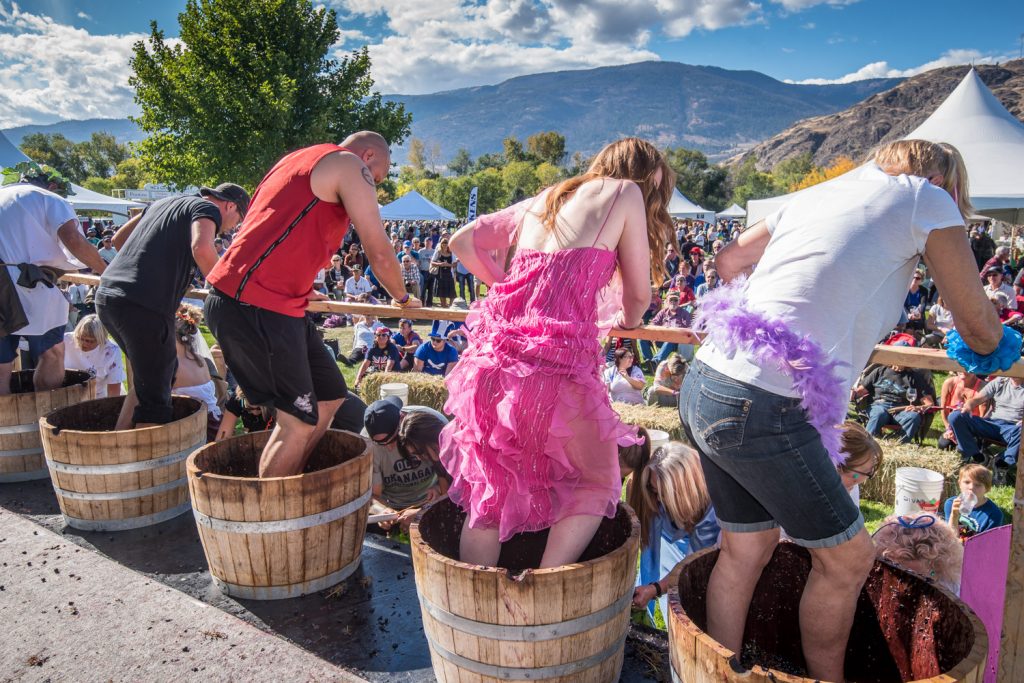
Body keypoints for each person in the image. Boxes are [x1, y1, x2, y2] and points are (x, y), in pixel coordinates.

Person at [679, 139, 1001, 681]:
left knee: (746, 548)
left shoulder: (823, 192)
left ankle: (718, 674)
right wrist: (998, 342)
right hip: (765, 402)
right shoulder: (929, 198)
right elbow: (980, 329)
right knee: (848, 559)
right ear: (947, 182)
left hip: (709, 378)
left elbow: (730, 258)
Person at [441, 137, 676, 568]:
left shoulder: (549, 195)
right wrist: (626, 319)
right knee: (598, 481)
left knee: (492, 496)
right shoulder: (624, 192)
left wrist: (502, 289)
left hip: (493, 360)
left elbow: (461, 242)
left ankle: (477, 617)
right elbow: (639, 298)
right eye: (654, 189)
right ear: (640, 178)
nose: (651, 199)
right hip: (554, 366)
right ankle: (542, 590)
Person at [203, 131, 421, 478]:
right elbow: (378, 250)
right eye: (377, 177)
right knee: (297, 422)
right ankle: (269, 521)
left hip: (271, 301)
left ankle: (293, 484)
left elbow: (275, 233)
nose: (374, 185)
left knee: (330, 397)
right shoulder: (350, 166)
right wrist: (405, 298)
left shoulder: (297, 160)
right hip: (255, 304)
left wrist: (299, 288)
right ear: (367, 157)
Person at [95, 182, 246, 429]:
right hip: (143, 307)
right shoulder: (208, 209)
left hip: (108, 297)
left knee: (154, 377)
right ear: (230, 206)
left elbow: (120, 240)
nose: (233, 226)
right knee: (156, 398)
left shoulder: (161, 204)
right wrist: (231, 293)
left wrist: (169, 269)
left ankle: (118, 446)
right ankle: (141, 463)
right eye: (238, 219)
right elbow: (202, 248)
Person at [1, 162, 107, 396]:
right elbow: (73, 239)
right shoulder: (49, 198)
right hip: (25, 284)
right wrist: (106, 271)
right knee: (52, 353)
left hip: (14, 279)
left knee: (0, 363)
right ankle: (44, 415)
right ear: (52, 185)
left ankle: (5, 430)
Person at [629, 442, 720, 622]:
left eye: (663, 496)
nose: (657, 501)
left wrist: (656, 588)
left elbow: (693, 568)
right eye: (654, 491)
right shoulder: (663, 499)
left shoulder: (711, 515)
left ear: (684, 494)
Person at [364, 397, 449, 531]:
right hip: (393, 506)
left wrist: (427, 505)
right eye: (380, 443)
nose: (389, 448)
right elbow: (372, 495)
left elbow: (451, 488)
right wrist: (382, 510)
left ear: (402, 421)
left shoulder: (423, 431)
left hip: (430, 501)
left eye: (392, 440)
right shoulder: (367, 447)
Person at [873, 513, 963, 595]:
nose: (906, 586)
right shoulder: (875, 585)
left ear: (938, 569)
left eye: (922, 578)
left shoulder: (951, 590)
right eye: (897, 573)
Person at [948, 374, 1024, 469]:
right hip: (991, 423)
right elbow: (977, 399)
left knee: (1022, 431)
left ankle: (1002, 464)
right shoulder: (1000, 381)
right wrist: (968, 406)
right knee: (955, 416)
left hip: (1013, 428)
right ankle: (977, 456)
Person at [854, 364, 935, 443]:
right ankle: (866, 442)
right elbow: (860, 391)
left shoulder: (914, 377)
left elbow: (929, 403)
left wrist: (917, 408)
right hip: (880, 405)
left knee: (913, 417)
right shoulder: (880, 371)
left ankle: (899, 444)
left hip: (902, 409)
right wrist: (851, 392)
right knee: (879, 414)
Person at [62, 314, 125, 398]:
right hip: (67, 393)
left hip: (97, 396)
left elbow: (114, 388)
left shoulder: (112, 351)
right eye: (79, 338)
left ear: (101, 340)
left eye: (89, 341)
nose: (83, 343)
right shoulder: (65, 340)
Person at [944, 464, 1004, 538]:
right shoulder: (951, 503)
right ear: (959, 484)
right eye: (967, 482)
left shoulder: (994, 515)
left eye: (978, 485)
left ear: (987, 489)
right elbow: (949, 538)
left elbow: (987, 544)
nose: (971, 487)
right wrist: (954, 515)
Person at [936, 371, 985, 451]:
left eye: (966, 368)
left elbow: (983, 418)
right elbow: (944, 409)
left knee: (964, 450)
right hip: (953, 426)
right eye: (960, 366)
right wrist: (948, 429)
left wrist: (965, 433)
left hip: (973, 428)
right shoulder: (949, 383)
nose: (962, 370)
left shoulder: (982, 388)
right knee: (943, 444)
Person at [649, 290, 694, 363]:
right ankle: (649, 361)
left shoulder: (685, 314)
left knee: (670, 340)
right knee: (642, 339)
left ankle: (656, 361)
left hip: (677, 341)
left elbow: (688, 329)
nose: (673, 302)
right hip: (661, 338)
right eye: (671, 300)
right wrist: (654, 332)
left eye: (675, 300)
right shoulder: (663, 312)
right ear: (667, 301)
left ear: (679, 301)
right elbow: (654, 323)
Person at [430, 237, 456, 307]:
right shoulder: (438, 252)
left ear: (448, 244)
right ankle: (443, 306)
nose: (444, 244)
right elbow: (432, 262)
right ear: (441, 244)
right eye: (443, 243)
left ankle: (451, 306)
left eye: (446, 243)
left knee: (452, 293)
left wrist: (448, 265)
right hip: (440, 274)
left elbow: (454, 264)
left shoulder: (451, 253)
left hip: (449, 274)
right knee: (441, 293)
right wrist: (440, 264)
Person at [418, 236, 436, 306]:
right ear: (424, 243)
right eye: (426, 242)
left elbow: (437, 261)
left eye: (429, 242)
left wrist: (431, 262)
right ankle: (422, 304)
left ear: (432, 243)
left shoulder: (434, 252)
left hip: (432, 272)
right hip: (423, 272)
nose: (428, 243)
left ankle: (429, 305)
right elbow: (418, 262)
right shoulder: (420, 251)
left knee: (431, 290)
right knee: (423, 290)